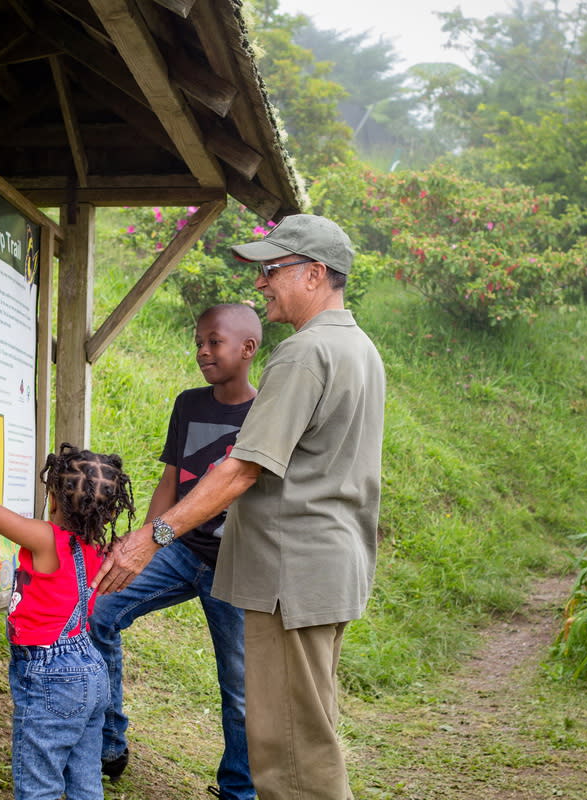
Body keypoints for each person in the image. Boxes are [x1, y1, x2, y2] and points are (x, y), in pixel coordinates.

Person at [94, 214, 385, 800]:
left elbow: (243, 467)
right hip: (329, 568)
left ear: (314, 274)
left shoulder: (304, 355)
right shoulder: (359, 349)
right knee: (306, 732)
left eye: (271, 270)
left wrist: (154, 536)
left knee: (290, 752)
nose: (261, 283)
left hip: (290, 572)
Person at [88, 303, 262, 800]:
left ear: (248, 349)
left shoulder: (266, 412)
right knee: (97, 609)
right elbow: (171, 478)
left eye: (215, 342)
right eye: (198, 342)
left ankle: (239, 790)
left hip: (238, 567)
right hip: (179, 549)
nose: (203, 351)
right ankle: (108, 743)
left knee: (240, 690)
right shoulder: (189, 403)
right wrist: (140, 543)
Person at [0, 444, 135, 800]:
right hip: (91, 669)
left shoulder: (48, 540)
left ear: (54, 499)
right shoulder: (96, 546)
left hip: (53, 675)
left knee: (39, 783)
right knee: (85, 779)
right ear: (108, 513)